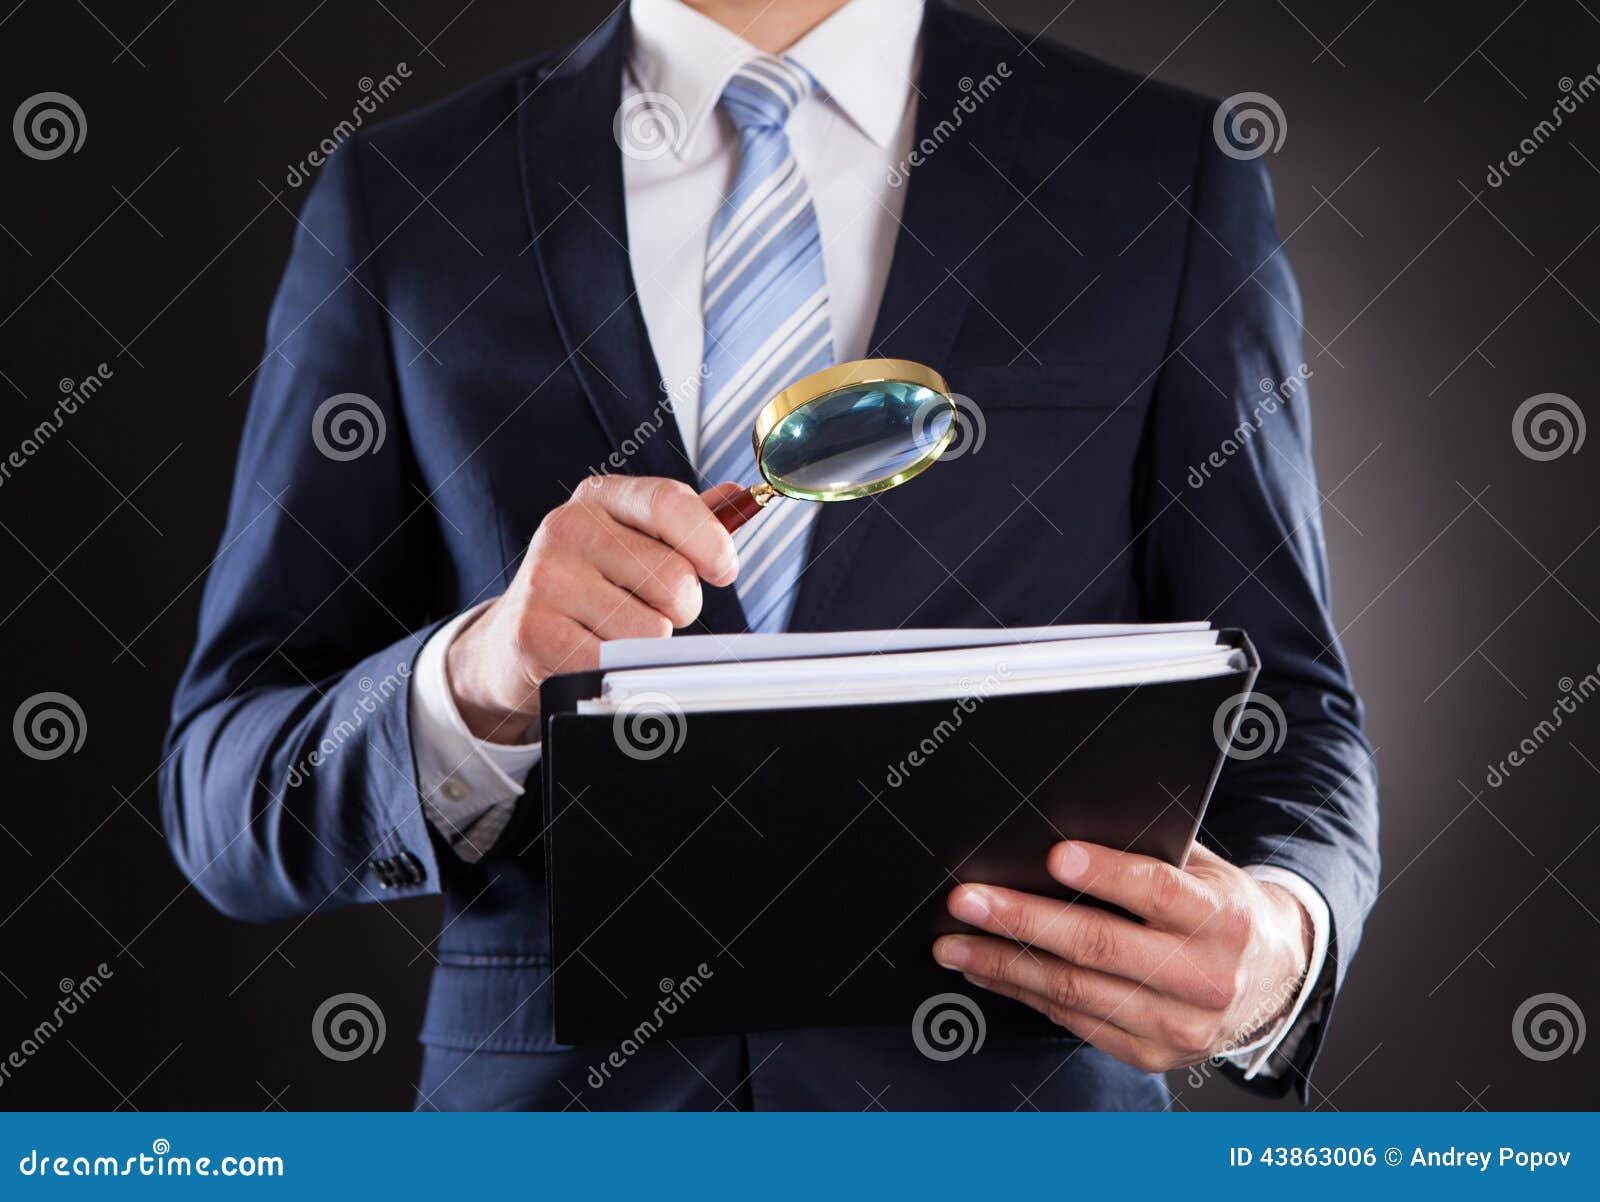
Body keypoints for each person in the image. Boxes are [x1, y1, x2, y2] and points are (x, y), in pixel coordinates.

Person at [161, 0, 1379, 1110]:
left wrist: (1277, 947)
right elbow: (221, 792)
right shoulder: (406, 193)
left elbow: (1290, 704)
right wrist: (472, 681)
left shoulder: (1161, 173)